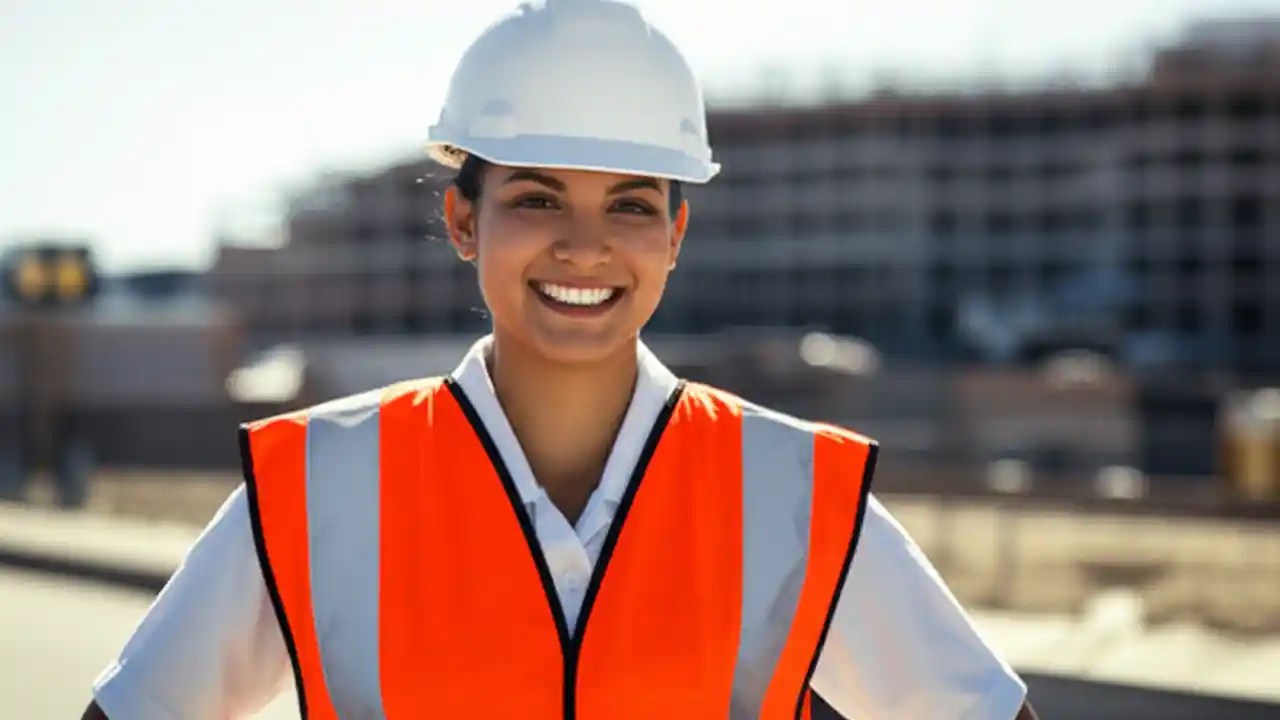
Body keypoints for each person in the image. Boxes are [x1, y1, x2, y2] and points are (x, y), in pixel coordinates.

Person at [84, 1, 1039, 718]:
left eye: (629, 205)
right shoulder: (314, 486)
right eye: (538, 198)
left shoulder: (793, 493)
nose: (585, 248)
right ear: (463, 219)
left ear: (676, 233)